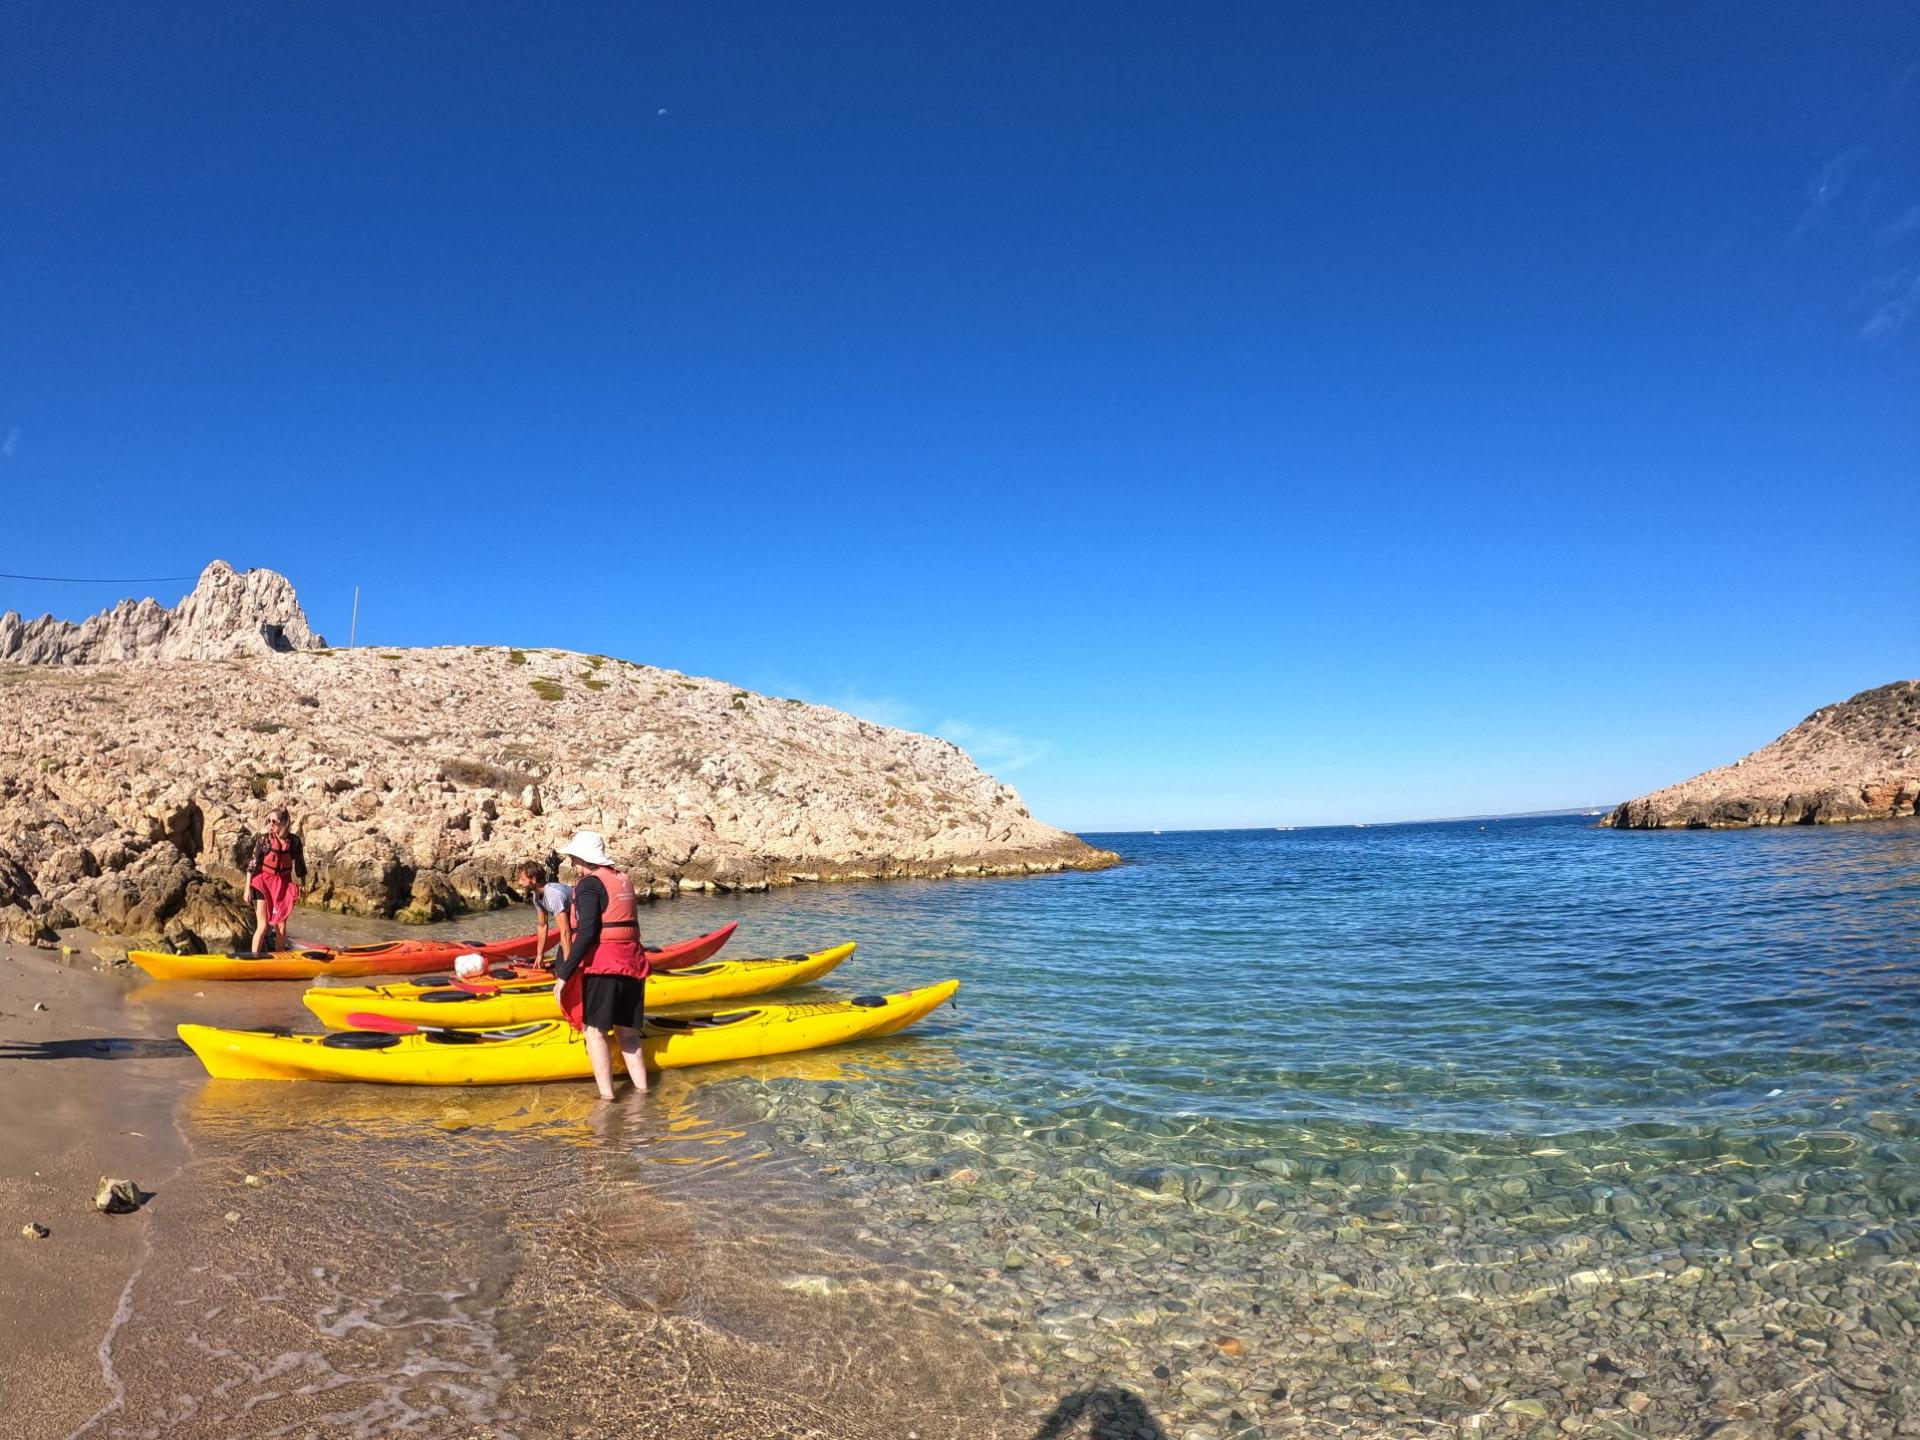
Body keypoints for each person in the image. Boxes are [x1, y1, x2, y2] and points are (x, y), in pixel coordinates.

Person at [550, 830, 651, 1100]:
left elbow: (587, 932)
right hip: (633, 963)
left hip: (605, 967)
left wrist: (563, 976)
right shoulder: (623, 878)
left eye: (573, 858)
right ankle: (643, 1094)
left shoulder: (589, 885)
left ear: (583, 858)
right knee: (627, 1033)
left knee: (594, 1032)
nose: (572, 863)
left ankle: (607, 1098)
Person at [246, 806, 307, 955]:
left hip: (283, 885)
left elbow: (300, 865)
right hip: (263, 883)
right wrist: (247, 888)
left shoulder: (294, 842)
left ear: (284, 823)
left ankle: (280, 959)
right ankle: (253, 958)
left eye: (274, 822)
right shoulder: (264, 840)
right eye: (269, 821)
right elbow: (252, 864)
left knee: (281, 927)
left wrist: (303, 885)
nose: (270, 824)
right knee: (263, 926)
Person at [517, 861, 573, 967]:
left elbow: (565, 931)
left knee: (565, 966)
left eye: (523, 879)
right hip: (570, 922)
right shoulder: (536, 896)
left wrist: (568, 967)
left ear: (533, 879)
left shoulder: (554, 894)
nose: (520, 883)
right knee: (560, 965)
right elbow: (542, 926)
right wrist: (539, 954)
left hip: (581, 921)